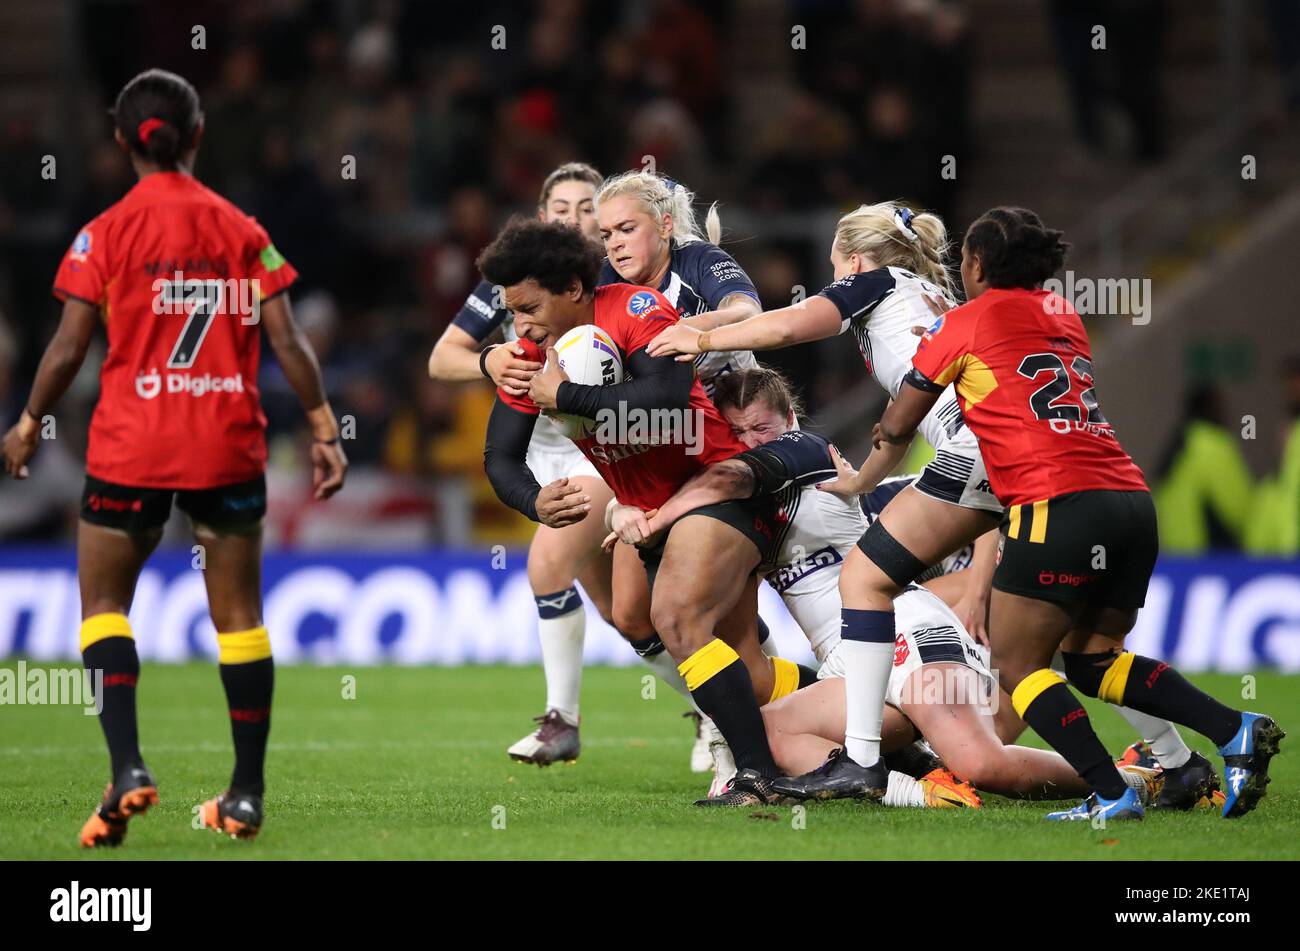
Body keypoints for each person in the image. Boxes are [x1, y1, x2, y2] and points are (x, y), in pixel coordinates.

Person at [0, 69, 347, 846]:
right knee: (240, 619)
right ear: (196, 136)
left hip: (132, 443)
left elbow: (67, 345)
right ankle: (246, 793)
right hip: (226, 440)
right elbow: (288, 340)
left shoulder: (105, 231)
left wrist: (28, 423)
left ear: (123, 141)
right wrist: (324, 426)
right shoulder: (243, 230)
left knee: (102, 609)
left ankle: (127, 768)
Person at [876, 206, 1283, 820]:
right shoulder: (1064, 315)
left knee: (1018, 665)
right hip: (1128, 499)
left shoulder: (961, 323)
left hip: (1055, 504)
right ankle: (1233, 729)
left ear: (979, 263)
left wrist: (937, 345)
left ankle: (1112, 791)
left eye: (965, 259)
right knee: (1092, 659)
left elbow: (900, 422)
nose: (962, 267)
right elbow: (1011, 356)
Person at [621, 366, 1157, 807]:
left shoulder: (806, 453)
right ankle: (920, 793)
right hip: (848, 662)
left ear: (790, 419)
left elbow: (728, 478)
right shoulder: (746, 512)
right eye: (736, 435)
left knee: (985, 764)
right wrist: (624, 511)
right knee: (764, 735)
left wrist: (656, 513)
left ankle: (1141, 778)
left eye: (761, 429)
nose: (749, 444)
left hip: (905, 631)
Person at [646, 200, 1003, 802]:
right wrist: (866, 479)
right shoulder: (924, 302)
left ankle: (872, 767)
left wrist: (701, 334)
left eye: (836, 270)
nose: (834, 284)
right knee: (1001, 733)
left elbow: (785, 326)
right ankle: (1149, 767)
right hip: (988, 456)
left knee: (865, 584)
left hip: (972, 462)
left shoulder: (878, 286)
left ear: (856, 262)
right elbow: (900, 420)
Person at [477, 218, 806, 807]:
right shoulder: (529, 354)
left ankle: (754, 777)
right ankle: (874, 718)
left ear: (573, 289)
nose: (519, 324)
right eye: (512, 311)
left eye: (528, 307)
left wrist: (568, 399)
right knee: (746, 670)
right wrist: (534, 499)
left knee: (674, 618)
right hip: (650, 512)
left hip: (720, 486)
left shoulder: (637, 308)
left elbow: (666, 397)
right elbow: (499, 455)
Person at [429, 162, 616, 765]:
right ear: (544, 218)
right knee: (629, 617)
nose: (577, 218)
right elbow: (441, 359)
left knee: (548, 564)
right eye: (562, 208)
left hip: (615, 456)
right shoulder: (509, 286)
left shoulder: (618, 285)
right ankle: (718, 704)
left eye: (589, 208)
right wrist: (488, 362)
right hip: (546, 455)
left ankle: (563, 722)